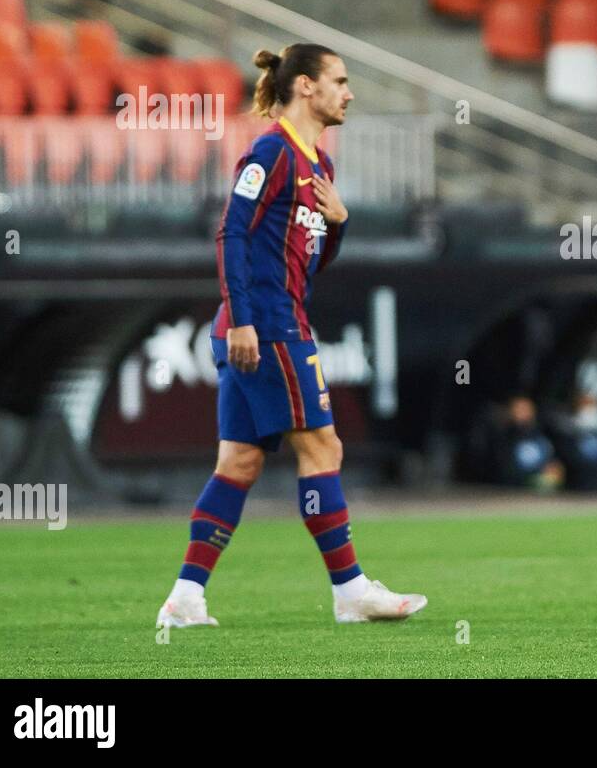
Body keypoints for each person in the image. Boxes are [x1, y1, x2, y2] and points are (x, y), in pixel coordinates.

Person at [156, 44, 426, 627]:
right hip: (267, 325)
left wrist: (339, 226)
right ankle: (351, 590)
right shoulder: (272, 151)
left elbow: (311, 262)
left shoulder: (319, 167)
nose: (349, 92)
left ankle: (185, 597)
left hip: (267, 320)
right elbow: (231, 232)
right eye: (340, 80)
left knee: (239, 463)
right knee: (323, 448)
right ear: (305, 86)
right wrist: (245, 316)